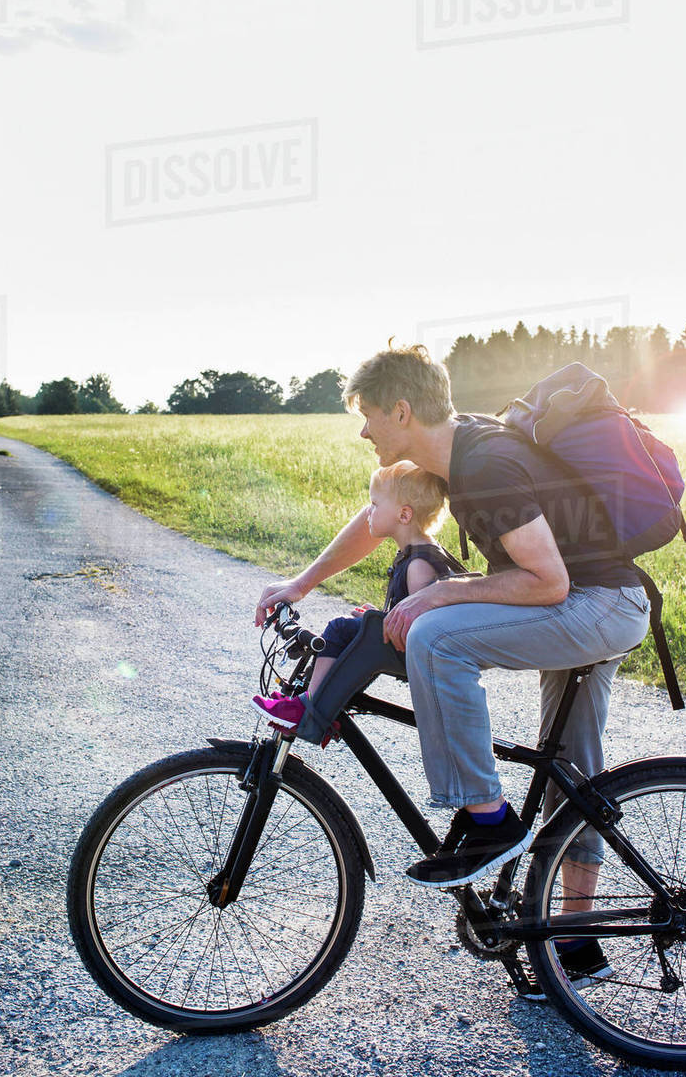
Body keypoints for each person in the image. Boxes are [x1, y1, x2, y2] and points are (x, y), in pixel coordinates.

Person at [255, 342, 651, 991]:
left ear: (403, 412)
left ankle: (487, 820)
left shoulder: (486, 464)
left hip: (598, 606)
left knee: (436, 635)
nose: (362, 430)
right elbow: (374, 518)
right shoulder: (450, 450)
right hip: (591, 600)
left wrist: (440, 592)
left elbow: (547, 582)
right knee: (573, 779)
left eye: (369, 416)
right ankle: (576, 947)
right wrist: (301, 583)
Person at [251, 461, 454, 732]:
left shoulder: (420, 564)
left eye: (375, 504)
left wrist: (378, 625)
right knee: (352, 629)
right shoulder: (414, 554)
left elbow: (422, 625)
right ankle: (323, 702)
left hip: (416, 652)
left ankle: (310, 706)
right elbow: (406, 610)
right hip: (405, 644)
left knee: (340, 628)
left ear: (404, 515)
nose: (368, 511)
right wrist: (378, 617)